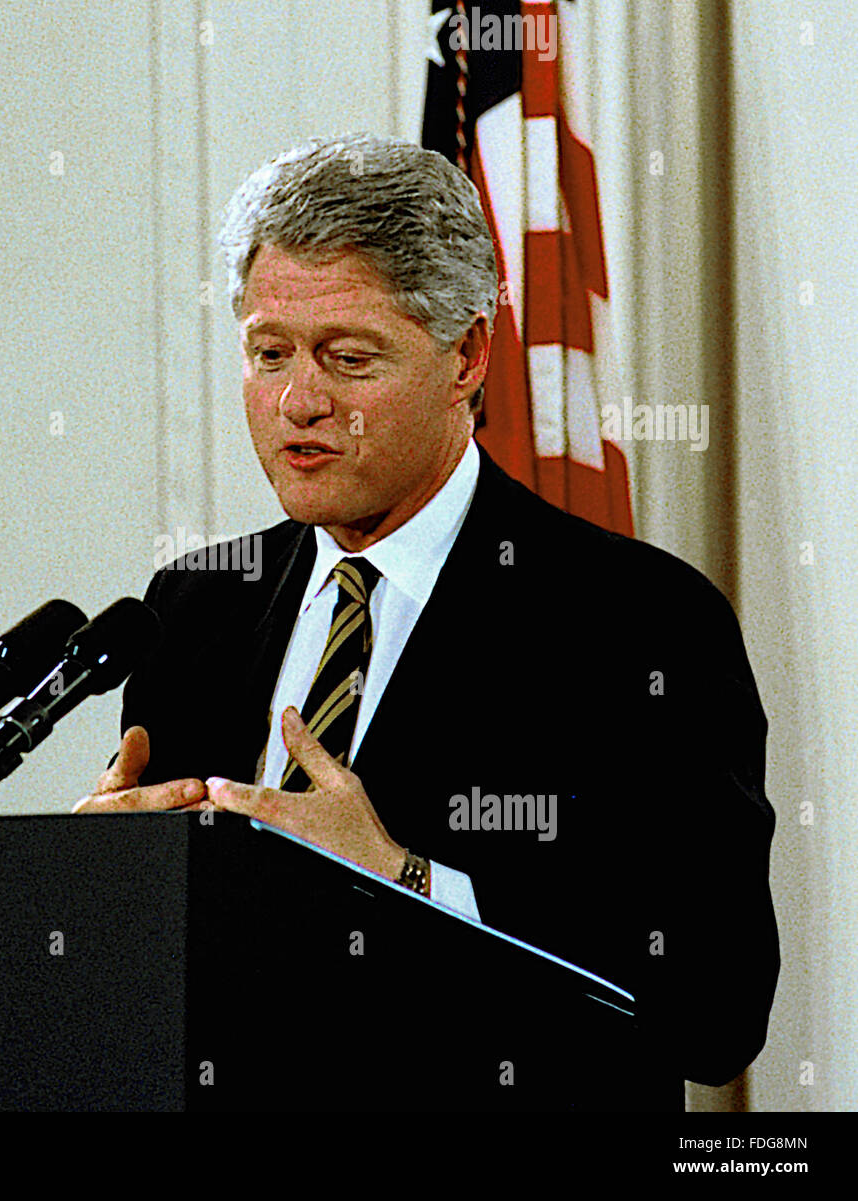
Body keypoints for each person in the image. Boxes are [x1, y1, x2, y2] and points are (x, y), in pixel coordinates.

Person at [73, 133, 778, 1099]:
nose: (299, 401)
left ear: (467, 357)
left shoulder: (641, 624)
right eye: (267, 353)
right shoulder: (193, 609)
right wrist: (105, 887)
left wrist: (406, 880)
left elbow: (716, 1003)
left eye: (348, 358)